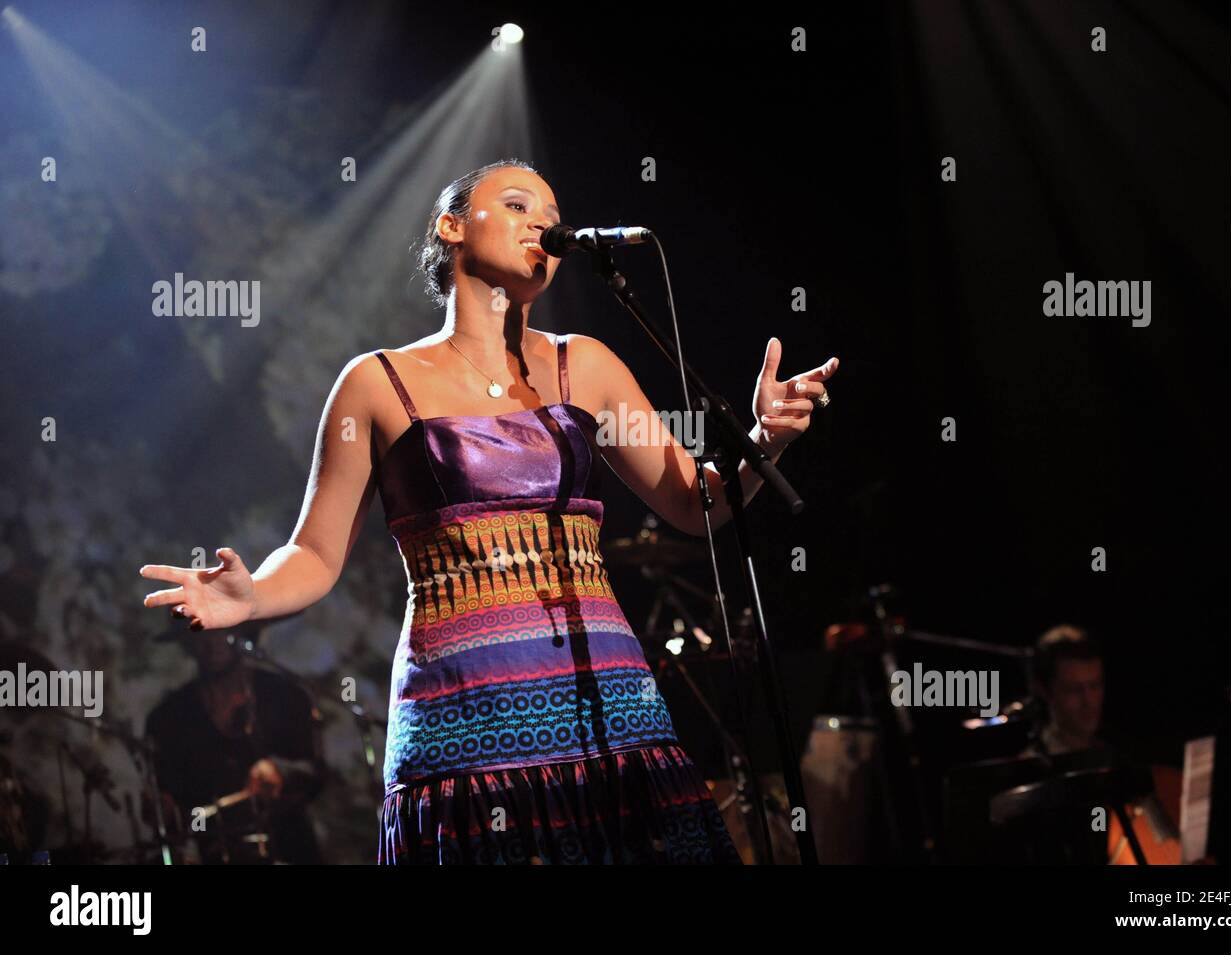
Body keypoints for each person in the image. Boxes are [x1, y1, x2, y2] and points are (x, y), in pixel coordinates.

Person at [140, 158, 839, 864]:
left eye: (550, 212)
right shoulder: (377, 383)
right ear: (450, 227)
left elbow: (696, 503)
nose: (543, 223)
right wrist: (252, 594)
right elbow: (317, 553)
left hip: (609, 705)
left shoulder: (584, 366)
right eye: (516, 204)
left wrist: (763, 442)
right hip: (464, 714)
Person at [144, 623, 324, 864]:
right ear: (186, 642)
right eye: (199, 633)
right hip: (216, 854)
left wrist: (280, 772)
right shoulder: (169, 718)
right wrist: (163, 808)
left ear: (242, 631)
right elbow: (169, 798)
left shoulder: (283, 694)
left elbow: (316, 770)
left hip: (290, 848)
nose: (211, 642)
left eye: (220, 629)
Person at [1022, 624, 1111, 758]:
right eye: (1074, 690)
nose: (1089, 701)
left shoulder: (1115, 754)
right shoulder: (1031, 769)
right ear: (1044, 691)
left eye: (1095, 685)